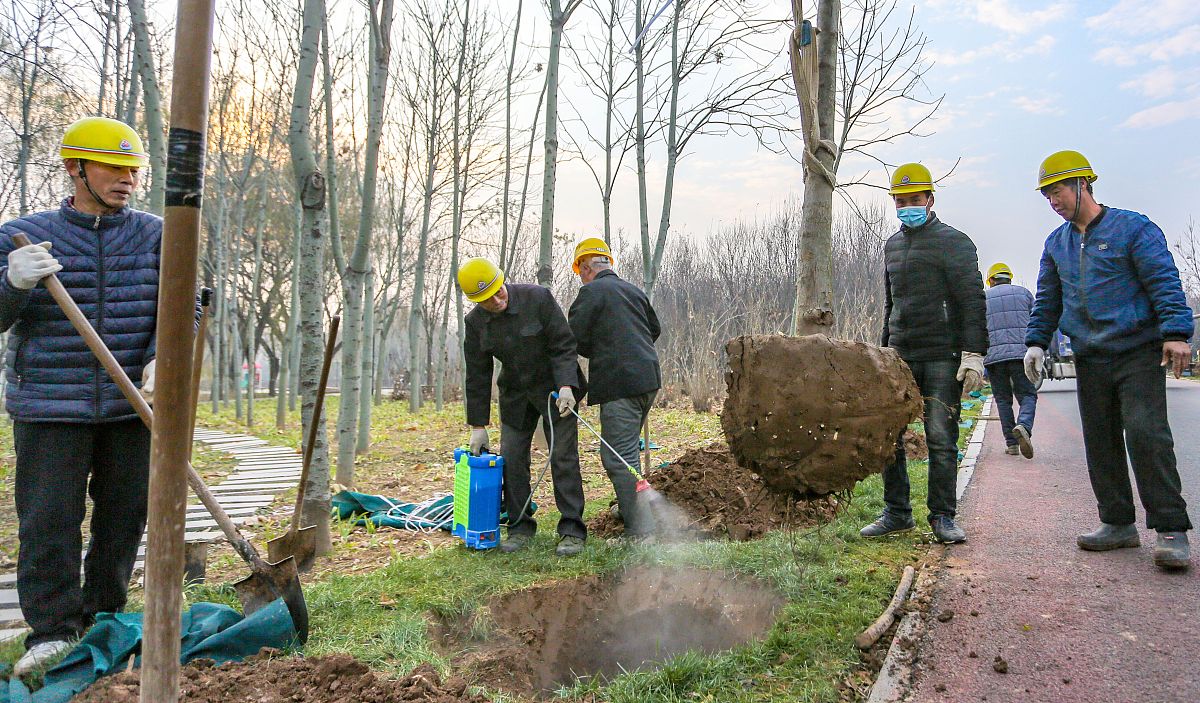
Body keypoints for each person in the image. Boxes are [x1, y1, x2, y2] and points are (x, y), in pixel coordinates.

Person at [0, 117, 160, 676]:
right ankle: (51, 631)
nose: (126, 179)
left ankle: (102, 616)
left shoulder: (156, 234)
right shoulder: (21, 235)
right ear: (75, 168)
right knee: (49, 520)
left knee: (123, 516)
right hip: (49, 404)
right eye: (113, 168)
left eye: (132, 169)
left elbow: (183, 305)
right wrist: (11, 283)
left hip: (131, 406)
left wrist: (166, 360)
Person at [1025, 150, 1193, 570]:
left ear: (1083, 184)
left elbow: (1163, 279)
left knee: (1145, 434)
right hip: (1091, 355)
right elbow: (1048, 300)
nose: (1053, 201)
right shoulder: (1056, 244)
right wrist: (1035, 343)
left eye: (1058, 191)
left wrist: (1175, 333)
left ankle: (1171, 528)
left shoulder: (1132, 228)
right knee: (1100, 441)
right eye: (1047, 195)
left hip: (1138, 351)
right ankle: (1117, 523)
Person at [860, 162, 988, 544]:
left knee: (940, 437)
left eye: (913, 199)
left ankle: (943, 516)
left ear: (930, 199)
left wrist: (973, 353)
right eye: (900, 200)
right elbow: (890, 303)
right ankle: (897, 513)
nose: (906, 206)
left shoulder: (955, 242)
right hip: (900, 353)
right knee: (889, 436)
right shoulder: (892, 245)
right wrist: (885, 349)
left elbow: (971, 300)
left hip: (941, 355)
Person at [459, 257, 589, 556]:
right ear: (477, 302)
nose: (496, 300)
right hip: (516, 394)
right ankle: (519, 527)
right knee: (513, 458)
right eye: (487, 300)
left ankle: (572, 530)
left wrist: (567, 385)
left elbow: (563, 344)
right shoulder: (475, 323)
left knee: (562, 456)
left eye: (498, 291)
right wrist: (478, 427)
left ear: (503, 280)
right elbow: (477, 375)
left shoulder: (537, 298)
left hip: (557, 390)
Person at [567, 238, 662, 539]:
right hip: (648, 380)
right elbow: (654, 329)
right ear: (607, 263)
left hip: (620, 385)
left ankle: (641, 533)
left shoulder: (590, 292)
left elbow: (574, 339)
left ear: (585, 268)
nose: (581, 276)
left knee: (618, 459)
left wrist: (603, 349)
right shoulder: (634, 291)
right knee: (628, 452)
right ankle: (630, 508)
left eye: (580, 271)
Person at [983, 262, 1037, 458]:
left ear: (990, 280)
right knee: (1028, 395)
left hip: (994, 358)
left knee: (1003, 400)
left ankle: (1012, 444)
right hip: (1021, 355)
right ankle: (1023, 425)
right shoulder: (1024, 293)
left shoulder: (983, 298)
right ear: (1009, 277)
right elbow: (1036, 321)